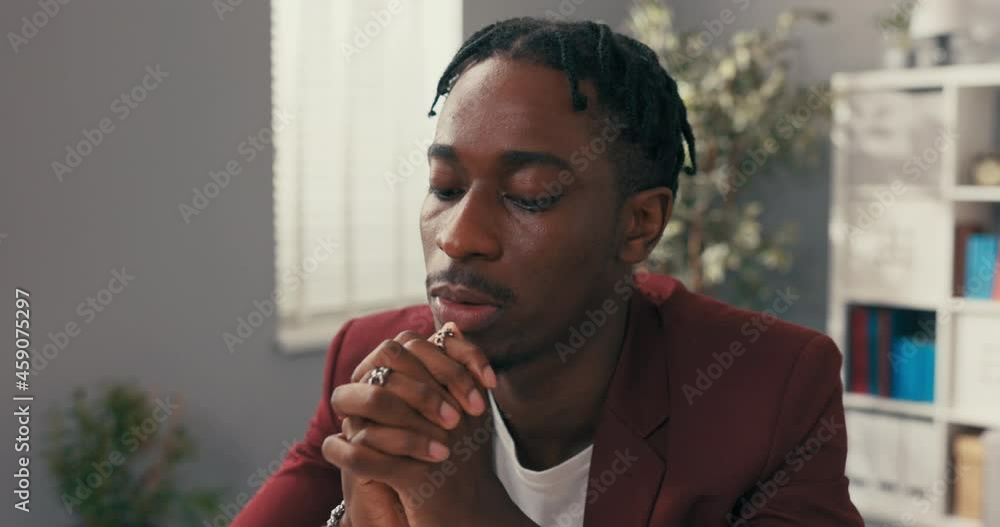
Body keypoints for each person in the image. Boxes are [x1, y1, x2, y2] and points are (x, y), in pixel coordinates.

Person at [233, 17, 862, 527]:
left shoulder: (769, 384)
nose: (458, 236)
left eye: (529, 195)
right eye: (445, 186)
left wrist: (466, 507)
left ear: (638, 224)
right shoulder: (377, 365)